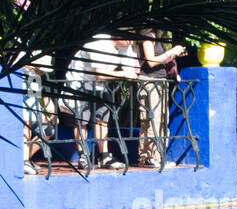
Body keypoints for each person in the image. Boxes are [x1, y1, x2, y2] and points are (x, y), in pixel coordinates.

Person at [65, 34, 140, 170]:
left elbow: (130, 69)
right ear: (117, 36)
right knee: (82, 120)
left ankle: (104, 156)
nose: (131, 41)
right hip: (80, 85)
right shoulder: (99, 43)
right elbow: (99, 73)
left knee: (102, 119)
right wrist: (123, 74)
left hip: (100, 86)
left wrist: (131, 70)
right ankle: (83, 155)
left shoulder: (125, 47)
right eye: (128, 37)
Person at [137, 28, 186, 168]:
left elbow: (161, 60)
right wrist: (170, 52)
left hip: (160, 82)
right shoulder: (148, 37)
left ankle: (156, 156)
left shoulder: (160, 40)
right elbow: (151, 61)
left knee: (162, 120)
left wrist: (173, 55)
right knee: (153, 120)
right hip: (150, 82)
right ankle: (151, 157)